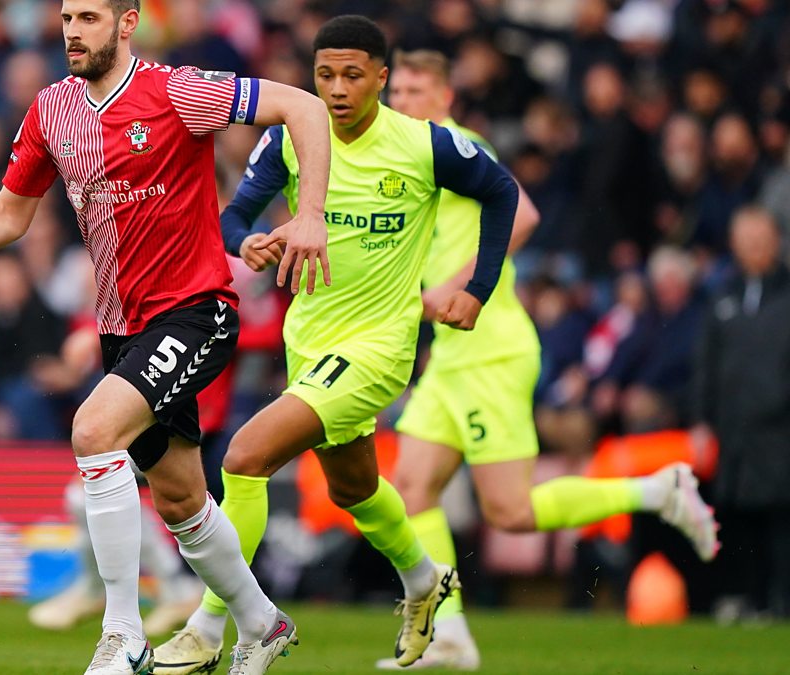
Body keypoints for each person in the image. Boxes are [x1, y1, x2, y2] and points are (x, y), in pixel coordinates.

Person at [0, 1, 334, 673]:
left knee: (93, 430)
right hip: (121, 328)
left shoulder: (179, 91)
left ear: (127, 23)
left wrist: (310, 214)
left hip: (197, 310)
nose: (72, 30)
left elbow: (304, 108)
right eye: (66, 17)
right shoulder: (52, 109)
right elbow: (12, 210)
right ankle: (261, 620)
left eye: (89, 17)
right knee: (180, 497)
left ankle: (122, 632)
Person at [154, 17, 518, 674]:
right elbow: (233, 215)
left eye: (354, 74)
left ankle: (213, 625)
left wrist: (478, 287)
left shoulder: (423, 146)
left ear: (382, 76)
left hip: (379, 347)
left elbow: (501, 191)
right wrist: (249, 242)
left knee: (244, 457)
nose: (338, 89)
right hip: (311, 341)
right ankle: (423, 578)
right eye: (326, 75)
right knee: (355, 487)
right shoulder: (292, 139)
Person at [381, 50, 720, 669]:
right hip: (452, 358)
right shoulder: (407, 159)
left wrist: (458, 286)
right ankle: (450, 635)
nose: (400, 100)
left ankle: (659, 491)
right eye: (395, 90)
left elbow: (524, 216)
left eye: (414, 89)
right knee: (412, 490)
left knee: (510, 512)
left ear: (445, 97)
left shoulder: (459, 145)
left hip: (492, 350)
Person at [693, 206, 790, 621]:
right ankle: (746, 598)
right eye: (745, 238)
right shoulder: (723, 297)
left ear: (776, 240)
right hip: (733, 430)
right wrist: (700, 419)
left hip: (781, 429)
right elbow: (705, 365)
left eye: (760, 238)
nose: (753, 246)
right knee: (738, 516)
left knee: (781, 518)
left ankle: (781, 600)